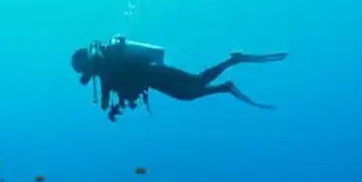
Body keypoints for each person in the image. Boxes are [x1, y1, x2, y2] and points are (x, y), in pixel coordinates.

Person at [71, 36, 287, 122]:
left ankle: (233, 61)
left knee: (195, 82)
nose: (86, 75)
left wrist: (107, 100)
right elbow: (110, 97)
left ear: (86, 62)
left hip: (153, 71)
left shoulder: (104, 62)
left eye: (84, 70)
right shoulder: (103, 70)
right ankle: (226, 87)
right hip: (151, 80)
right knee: (187, 95)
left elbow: (107, 97)